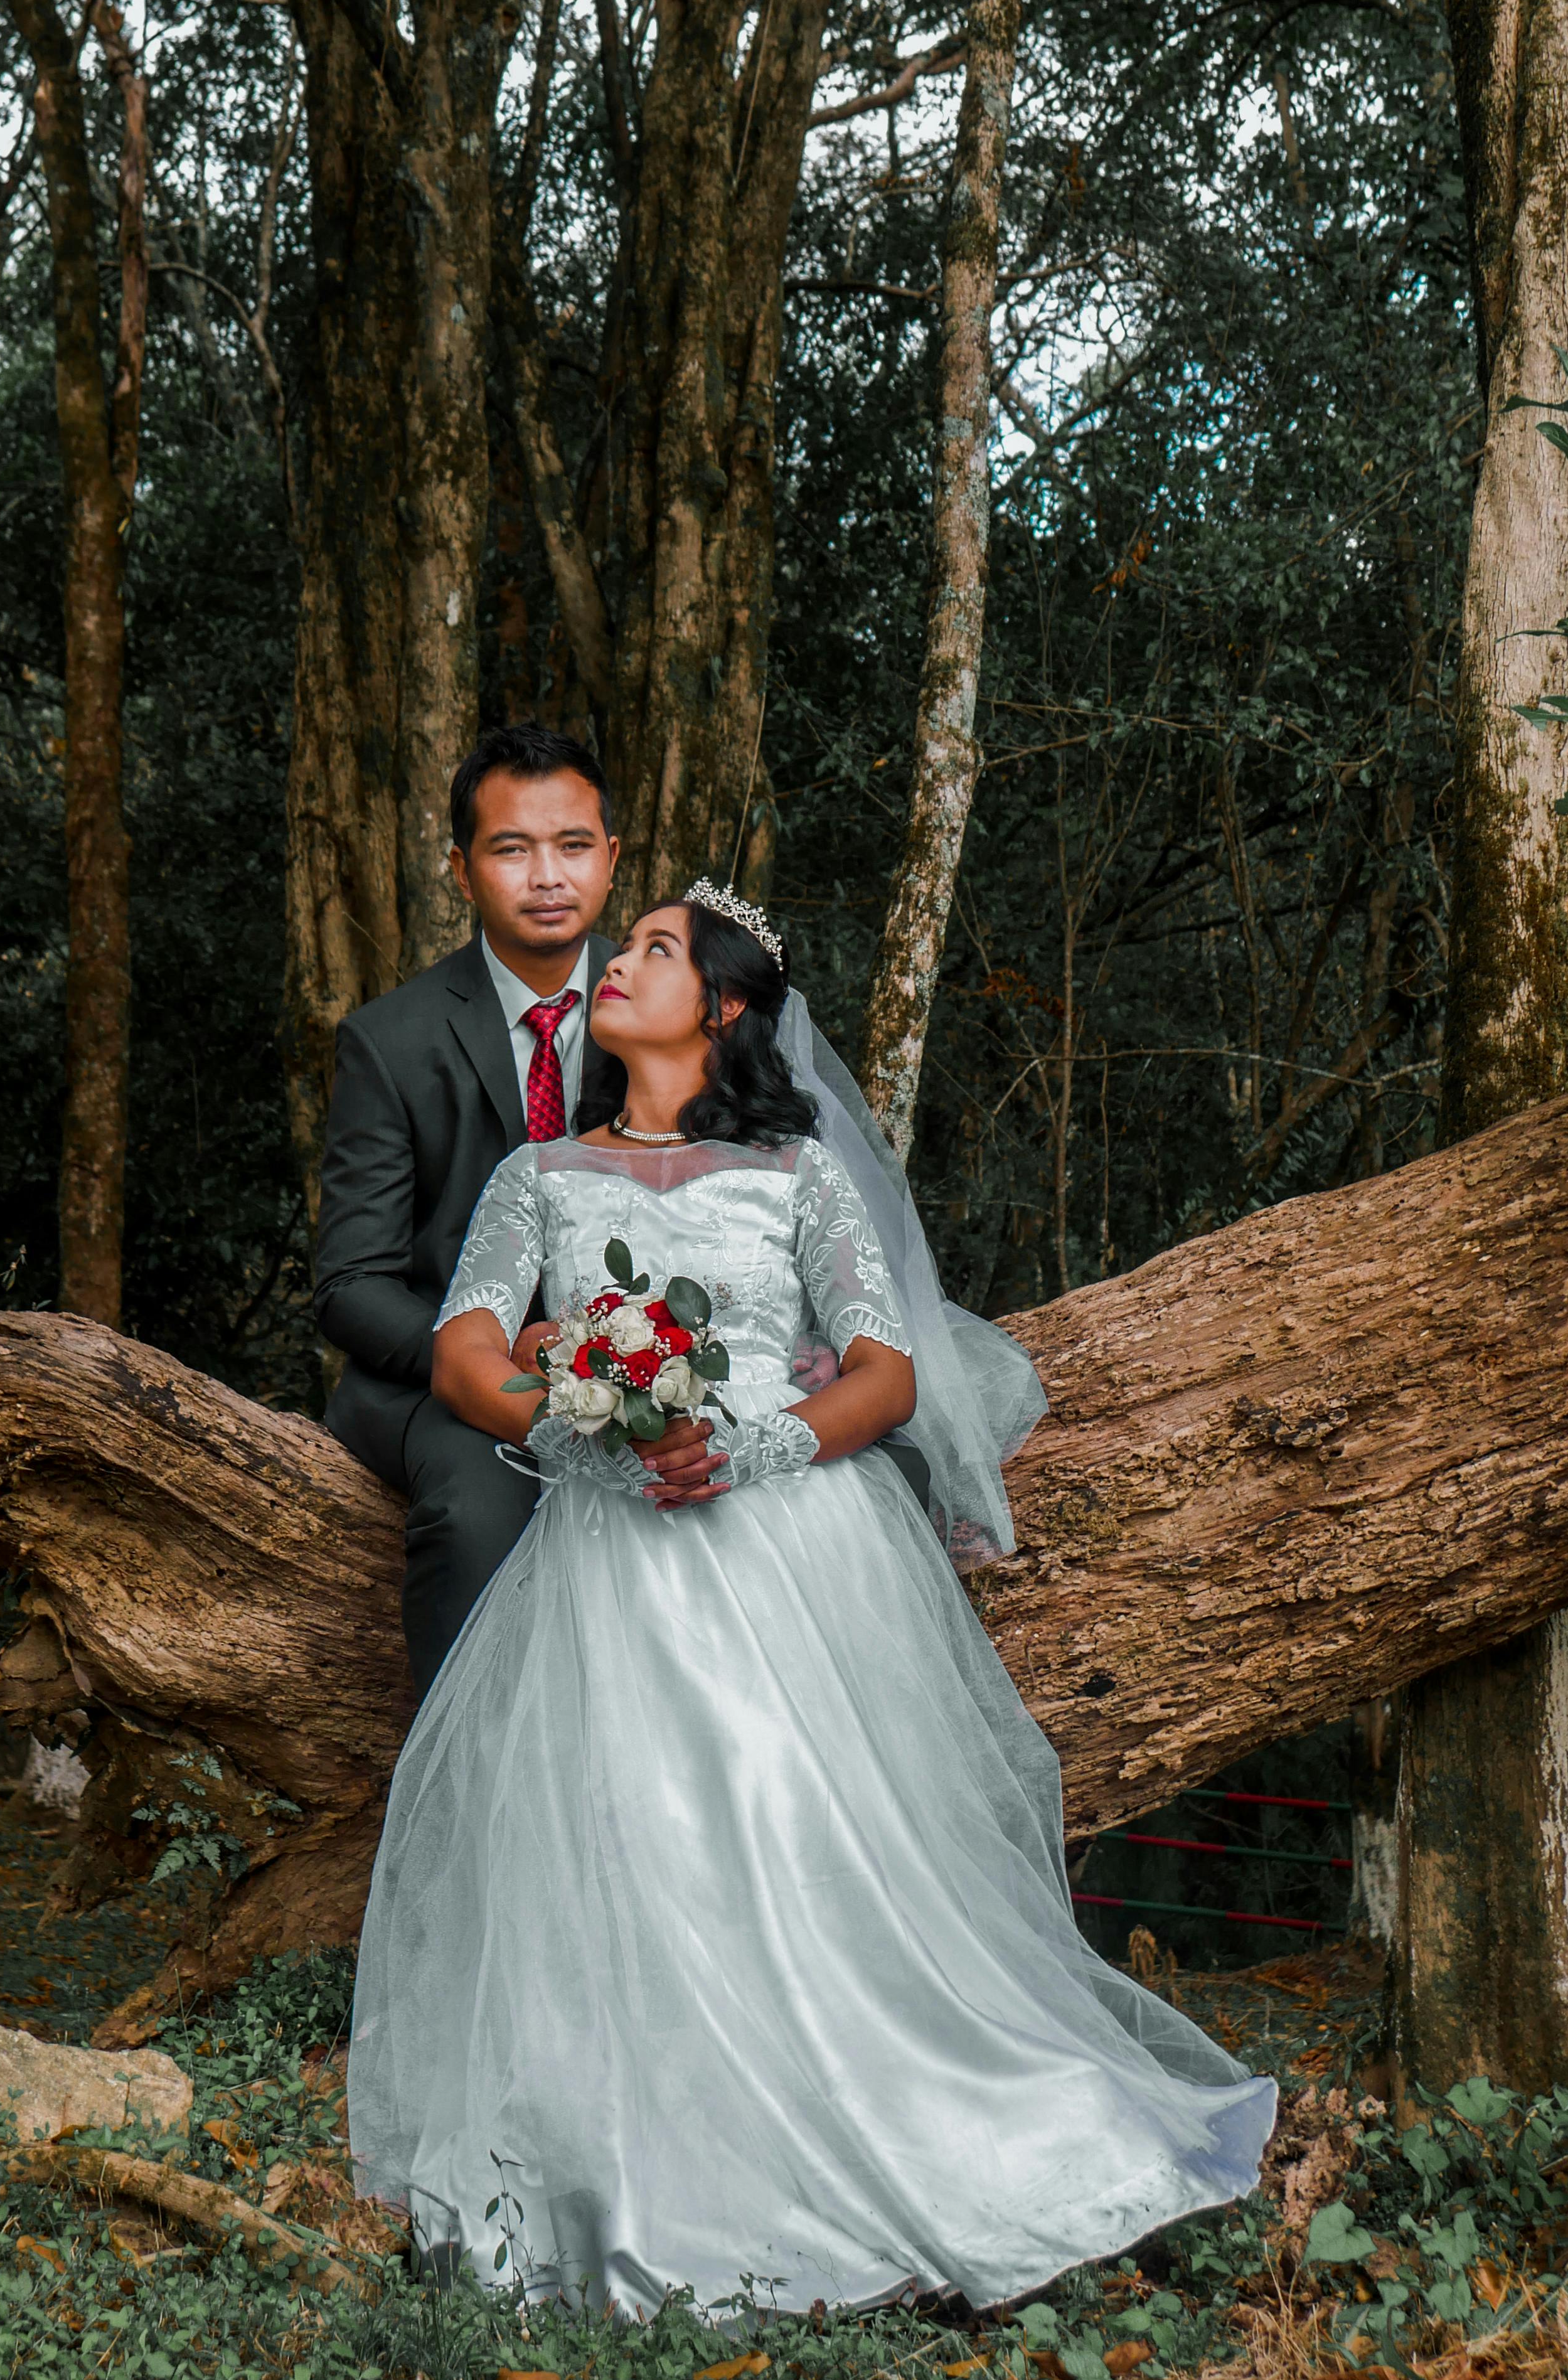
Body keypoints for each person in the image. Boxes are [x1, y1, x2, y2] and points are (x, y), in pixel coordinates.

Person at [348, 880, 1277, 2320]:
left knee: (798, 1821)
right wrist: (576, 1414)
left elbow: (883, 1369)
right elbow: (469, 1348)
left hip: (792, 1544)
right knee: (614, 1828)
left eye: (655, 950)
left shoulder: (796, 1178)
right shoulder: (539, 1172)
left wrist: (756, 1439)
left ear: (718, 1008)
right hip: (602, 1556)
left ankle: (887, 2121)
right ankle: (631, 2161)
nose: (620, 965)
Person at [312, 724, 718, 1692]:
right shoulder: (390, 1041)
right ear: (460, 868)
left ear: (612, 861)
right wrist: (491, 1355)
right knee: (479, 1507)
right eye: (511, 849)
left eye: (573, 846)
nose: (547, 876)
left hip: (650, 1367)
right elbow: (350, 1283)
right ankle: (459, 1807)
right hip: (432, 1386)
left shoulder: (669, 999)